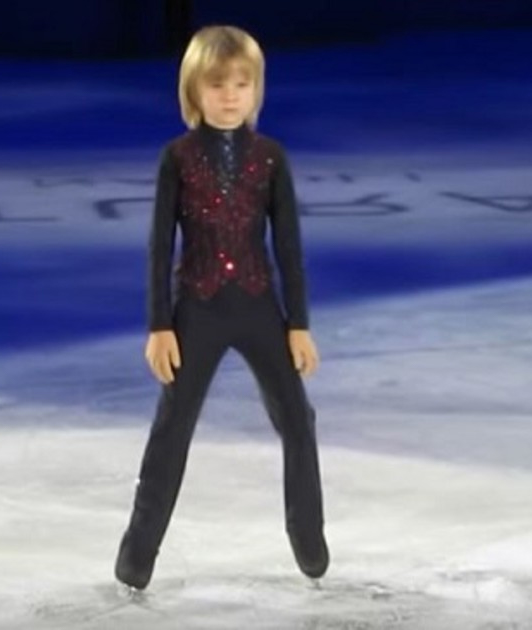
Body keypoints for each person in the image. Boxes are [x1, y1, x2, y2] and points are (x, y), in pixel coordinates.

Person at [114, 24, 328, 591]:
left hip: (259, 304)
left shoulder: (270, 158)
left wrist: (299, 323)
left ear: (257, 89)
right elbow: (161, 245)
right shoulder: (177, 158)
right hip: (198, 309)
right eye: (217, 84)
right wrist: (160, 324)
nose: (231, 95)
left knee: (298, 419)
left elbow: (288, 245)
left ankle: (308, 538)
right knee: (174, 425)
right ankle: (137, 553)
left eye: (242, 83)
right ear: (194, 92)